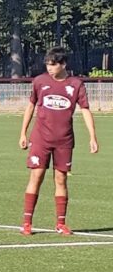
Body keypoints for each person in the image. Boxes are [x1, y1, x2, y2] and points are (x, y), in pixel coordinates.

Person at [22, 45, 98, 235]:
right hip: (41, 139)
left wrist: (92, 137)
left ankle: (61, 223)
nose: (49, 68)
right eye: (47, 64)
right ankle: (27, 223)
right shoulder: (39, 82)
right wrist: (23, 132)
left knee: (61, 179)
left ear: (63, 64)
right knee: (36, 176)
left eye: (53, 65)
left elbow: (86, 110)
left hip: (64, 141)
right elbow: (30, 107)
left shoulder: (76, 85)